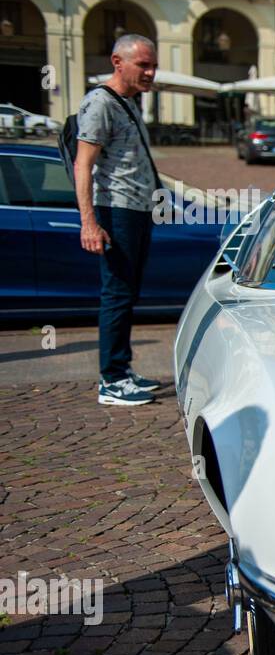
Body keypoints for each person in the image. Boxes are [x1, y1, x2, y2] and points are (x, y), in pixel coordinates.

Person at [75, 33, 163, 407]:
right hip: (117, 210)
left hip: (138, 210)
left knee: (127, 294)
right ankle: (111, 380)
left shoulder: (128, 103)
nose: (150, 72)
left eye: (152, 64)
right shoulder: (100, 103)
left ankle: (122, 370)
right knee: (116, 294)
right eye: (143, 64)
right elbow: (84, 164)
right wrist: (89, 222)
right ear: (117, 62)